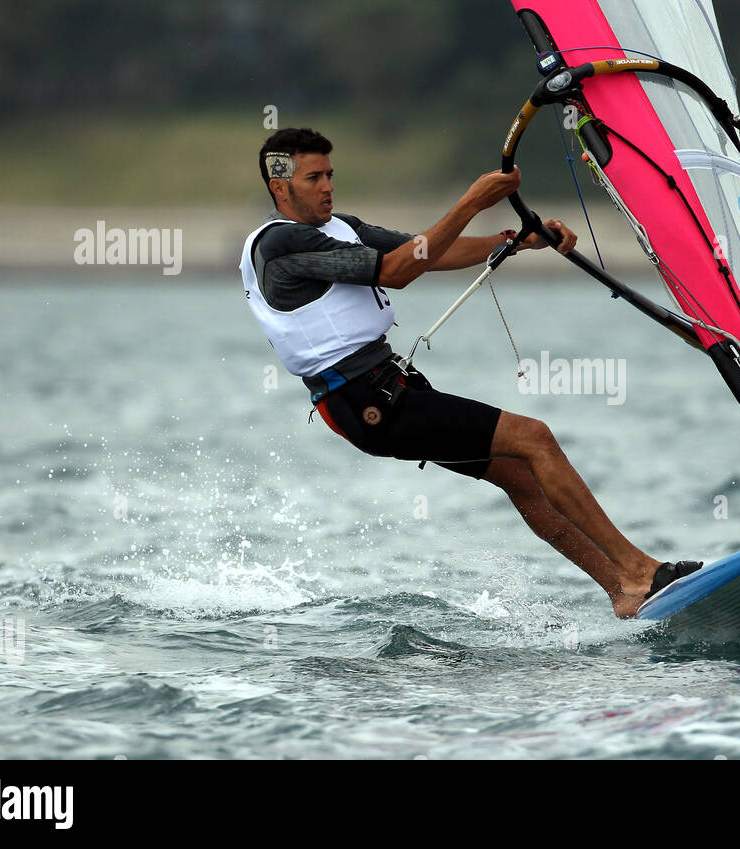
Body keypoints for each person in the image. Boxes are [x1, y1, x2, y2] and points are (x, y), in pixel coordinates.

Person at [239, 128, 699, 618]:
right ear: (279, 186)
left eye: (330, 174)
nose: (329, 186)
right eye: (313, 178)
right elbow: (397, 271)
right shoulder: (280, 244)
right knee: (534, 438)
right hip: (366, 403)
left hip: (386, 390)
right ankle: (638, 570)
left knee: (521, 475)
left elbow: (426, 252)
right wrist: (472, 202)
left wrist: (514, 241)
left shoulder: (338, 228)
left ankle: (623, 592)